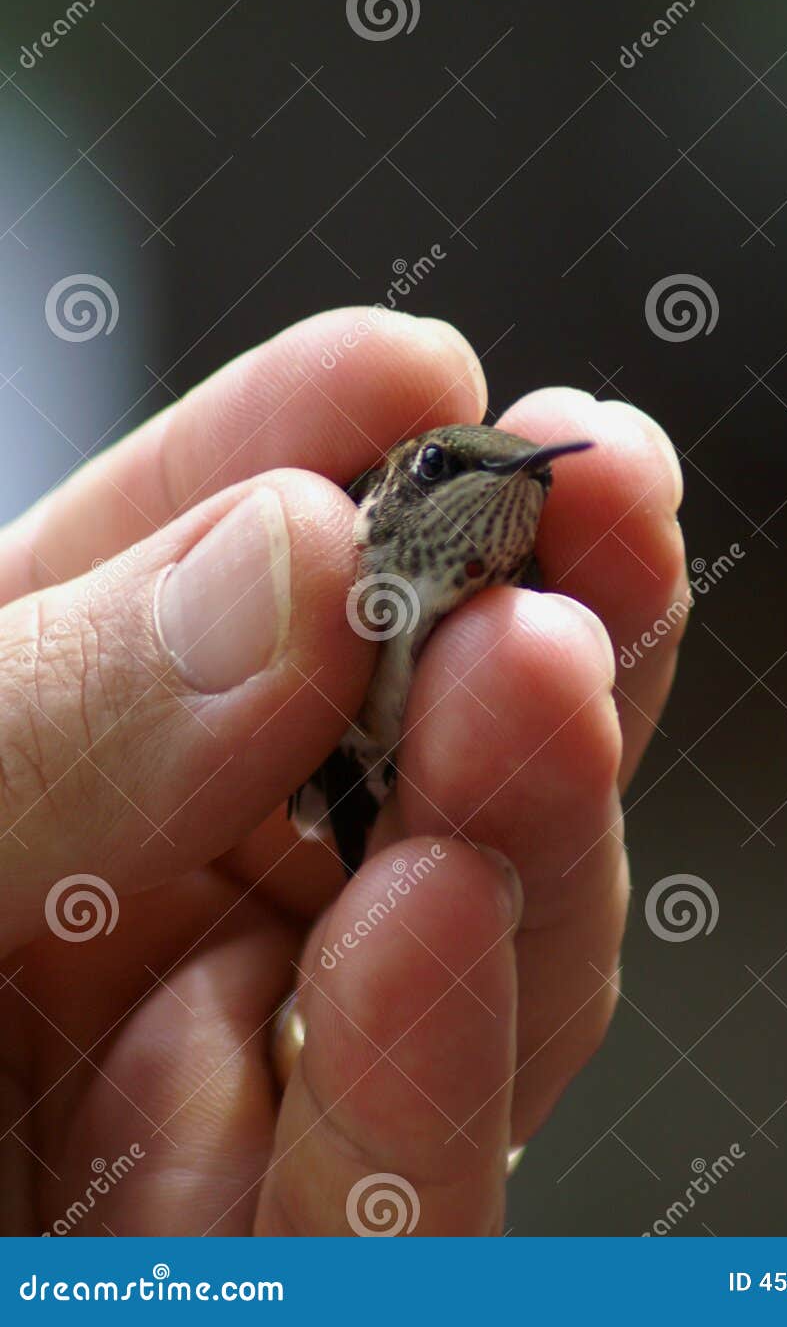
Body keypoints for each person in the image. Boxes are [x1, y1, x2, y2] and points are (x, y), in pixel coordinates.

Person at [0, 310, 687, 1235]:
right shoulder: (350, 542)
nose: (515, 484)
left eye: (538, 480)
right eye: (447, 468)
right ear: (402, 484)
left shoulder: (508, 604)